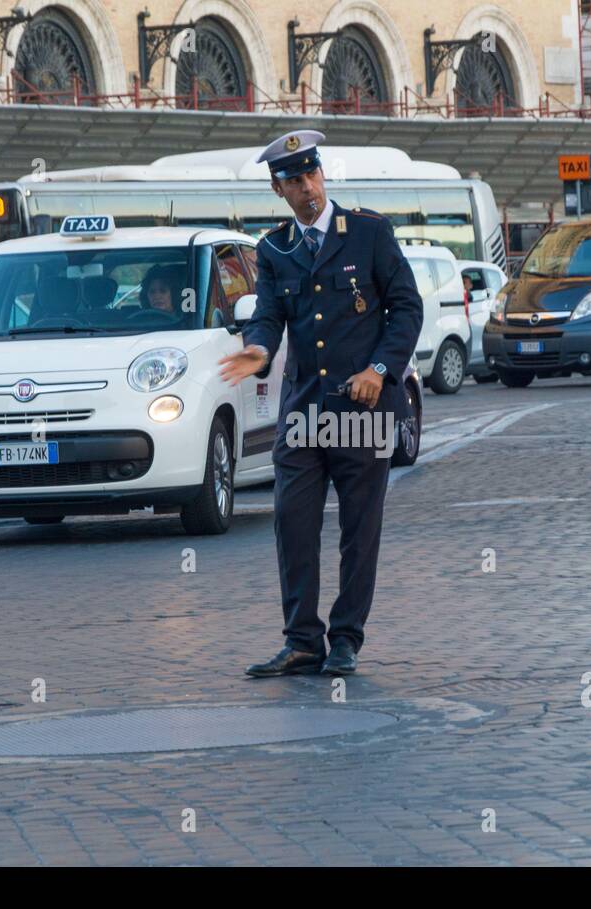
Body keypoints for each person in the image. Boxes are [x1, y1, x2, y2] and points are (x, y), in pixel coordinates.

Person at [218, 129, 422, 677]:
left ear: (322, 174)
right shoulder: (274, 248)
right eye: (293, 181)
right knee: (293, 520)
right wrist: (257, 350)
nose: (306, 188)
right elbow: (268, 317)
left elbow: (406, 309)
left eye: (311, 175)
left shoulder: (370, 233)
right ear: (277, 188)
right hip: (305, 410)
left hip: (363, 410)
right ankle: (302, 639)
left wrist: (381, 370)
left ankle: (346, 638)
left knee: (360, 529)